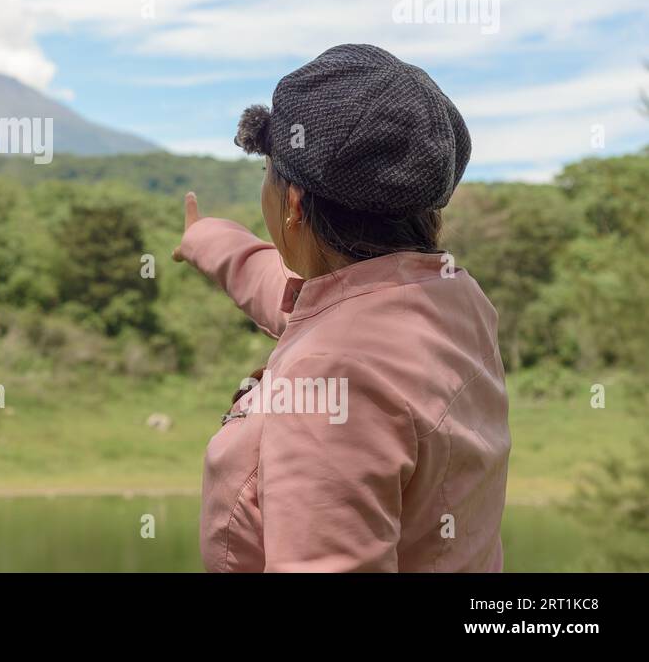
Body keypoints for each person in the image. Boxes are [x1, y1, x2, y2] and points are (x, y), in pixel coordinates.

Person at [172, 43, 510, 572]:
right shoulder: (449, 302)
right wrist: (209, 240)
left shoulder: (331, 374)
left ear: (294, 203)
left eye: (268, 171)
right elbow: (288, 291)